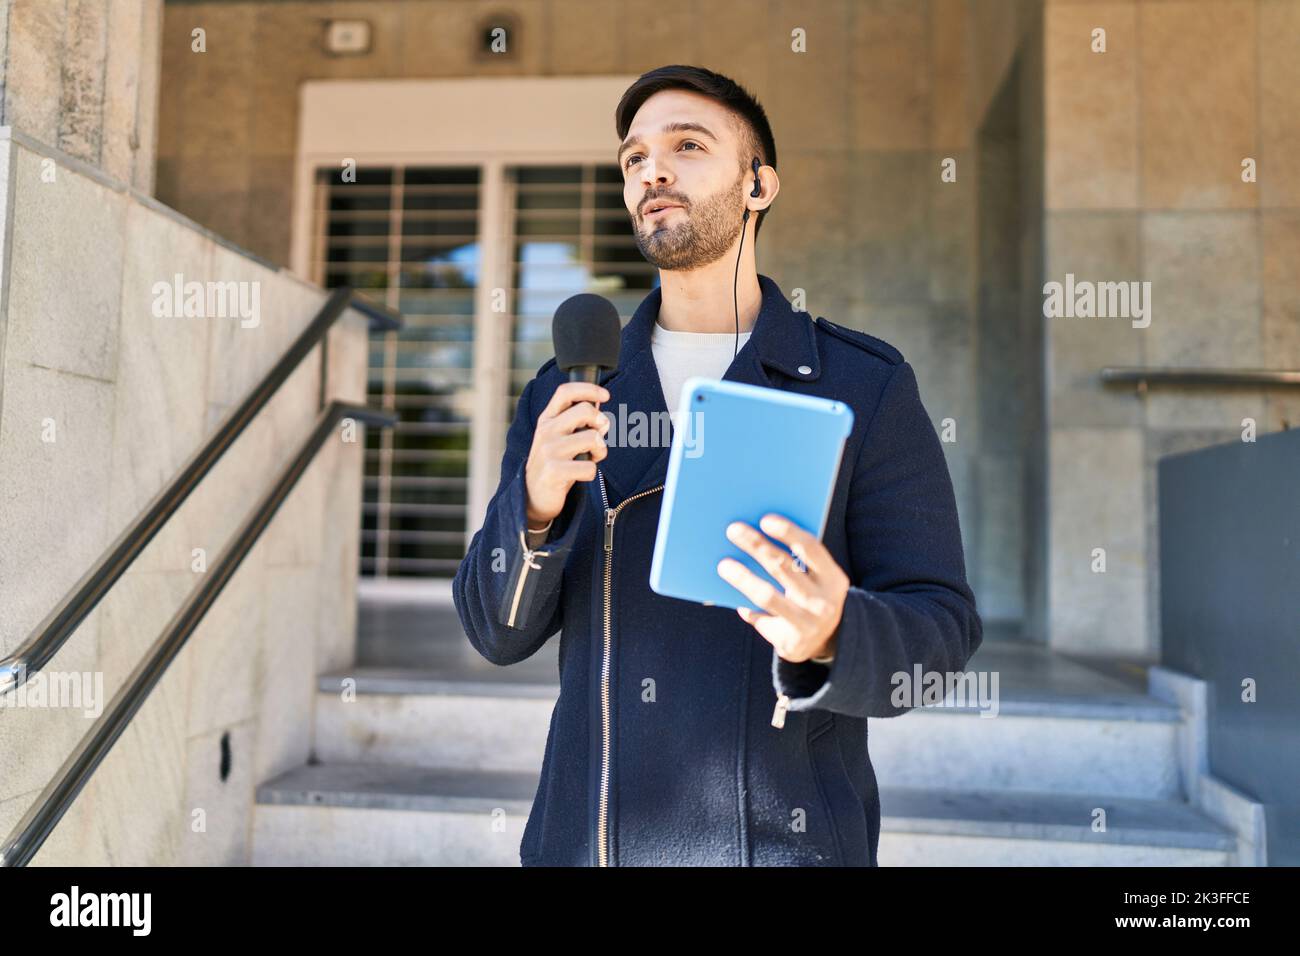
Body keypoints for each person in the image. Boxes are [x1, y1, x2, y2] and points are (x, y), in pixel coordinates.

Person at [452, 64, 983, 866]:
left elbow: (939, 632)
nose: (651, 171)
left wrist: (836, 629)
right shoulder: (567, 390)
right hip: (586, 843)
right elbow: (494, 632)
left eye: (687, 146)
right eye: (633, 159)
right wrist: (532, 507)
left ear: (758, 185)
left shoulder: (863, 385)